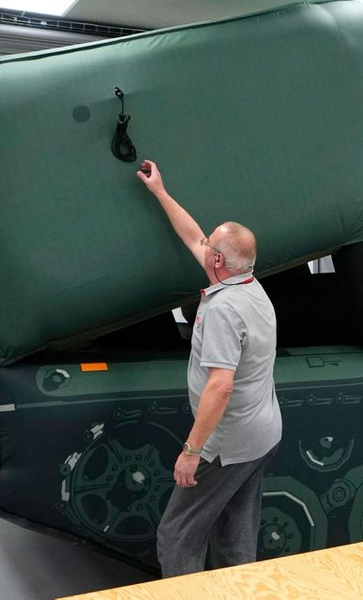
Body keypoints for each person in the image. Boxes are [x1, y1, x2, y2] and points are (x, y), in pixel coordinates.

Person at [137, 159, 282, 576]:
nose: (203, 244)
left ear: (218, 260)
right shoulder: (249, 284)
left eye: (210, 245)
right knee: (234, 533)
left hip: (228, 445)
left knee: (177, 535)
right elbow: (193, 235)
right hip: (262, 436)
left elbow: (221, 387)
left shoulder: (225, 310)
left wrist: (192, 452)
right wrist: (160, 192)